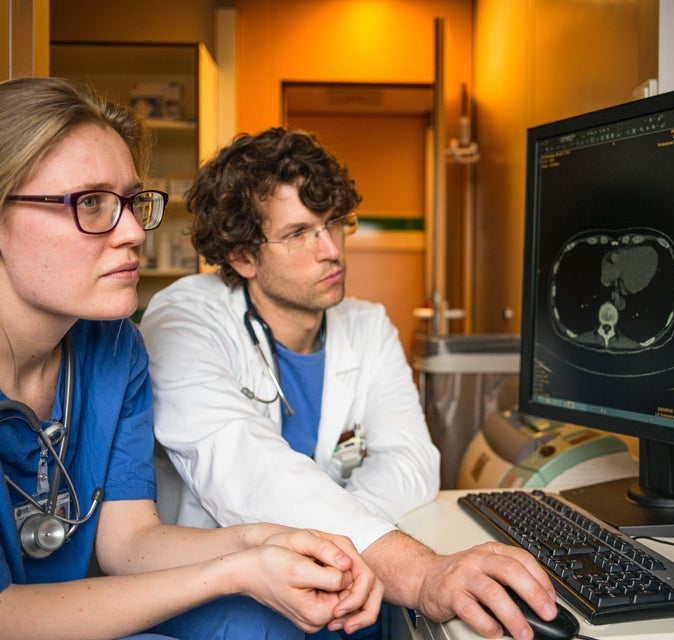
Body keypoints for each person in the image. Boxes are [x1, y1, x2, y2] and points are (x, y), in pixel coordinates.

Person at [0, 77, 383, 640]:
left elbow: (128, 543)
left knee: (295, 625)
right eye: (90, 202)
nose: (133, 232)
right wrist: (236, 570)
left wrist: (264, 542)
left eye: (132, 201)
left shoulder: (114, 347)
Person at [140, 126, 558, 640]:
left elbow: (412, 458)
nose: (331, 250)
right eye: (298, 234)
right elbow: (241, 466)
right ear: (241, 255)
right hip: (226, 589)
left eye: (335, 223)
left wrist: (344, 541)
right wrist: (406, 564)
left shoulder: (367, 325)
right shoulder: (183, 318)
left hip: (345, 585)